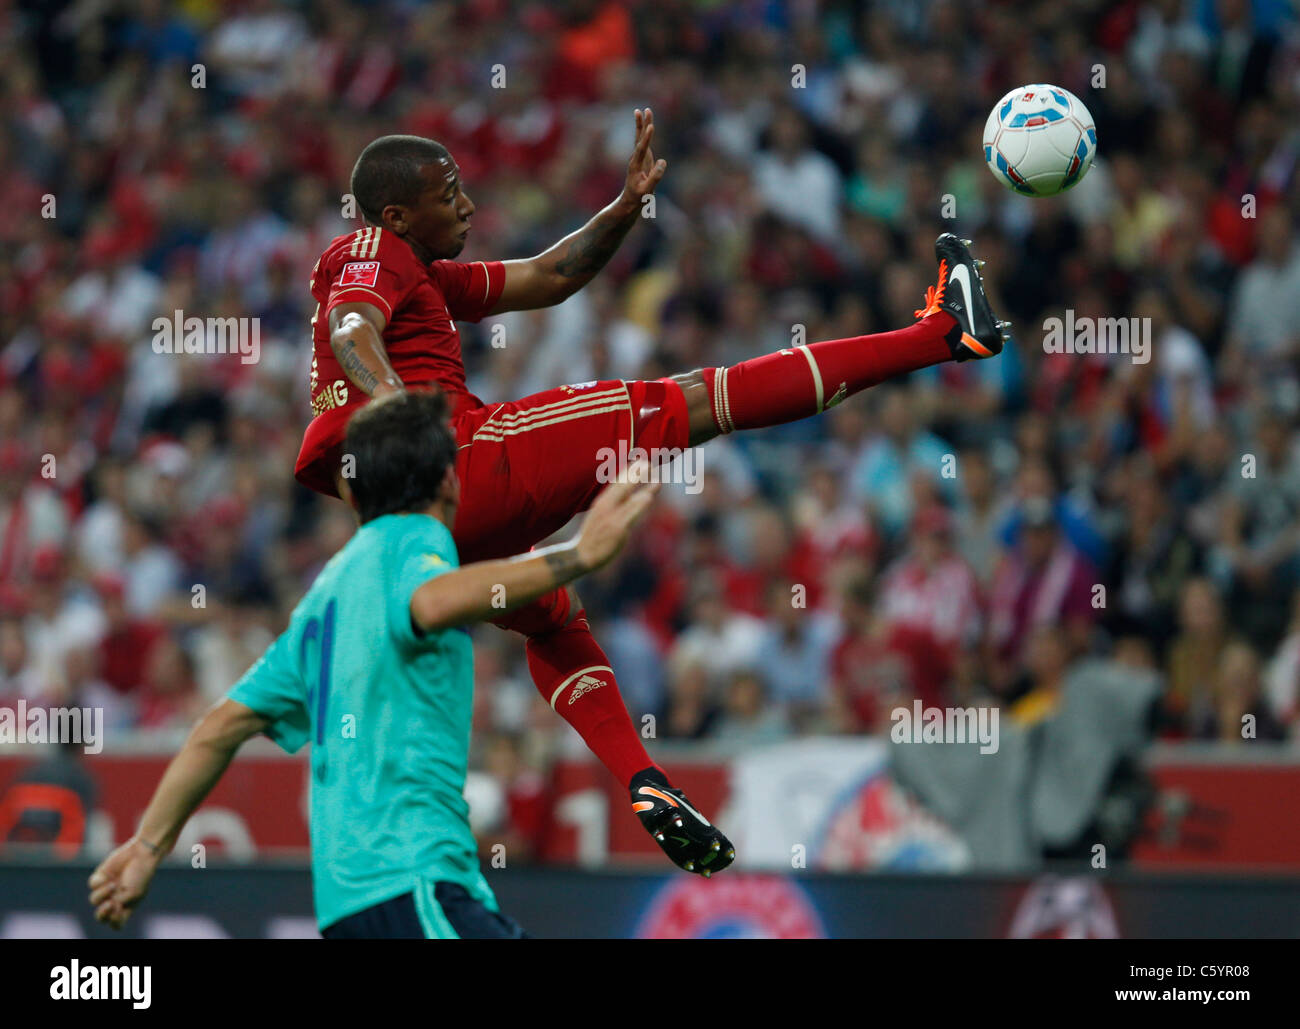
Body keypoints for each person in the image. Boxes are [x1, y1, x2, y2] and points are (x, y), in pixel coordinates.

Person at [295, 110, 1007, 868]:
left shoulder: (425, 274)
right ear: (400, 214)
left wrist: (624, 206)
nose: (467, 204)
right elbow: (350, 332)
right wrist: (408, 422)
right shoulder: (372, 248)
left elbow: (551, 275)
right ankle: (943, 334)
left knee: (553, 626)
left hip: (420, 526)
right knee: (696, 400)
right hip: (460, 462)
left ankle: (643, 777)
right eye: (450, 192)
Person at [87, 390, 734, 938]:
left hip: (347, 909)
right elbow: (430, 599)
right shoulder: (417, 539)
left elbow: (217, 726)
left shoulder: (320, 601)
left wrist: (147, 846)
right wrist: (578, 555)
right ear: (449, 479)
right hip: (416, 882)